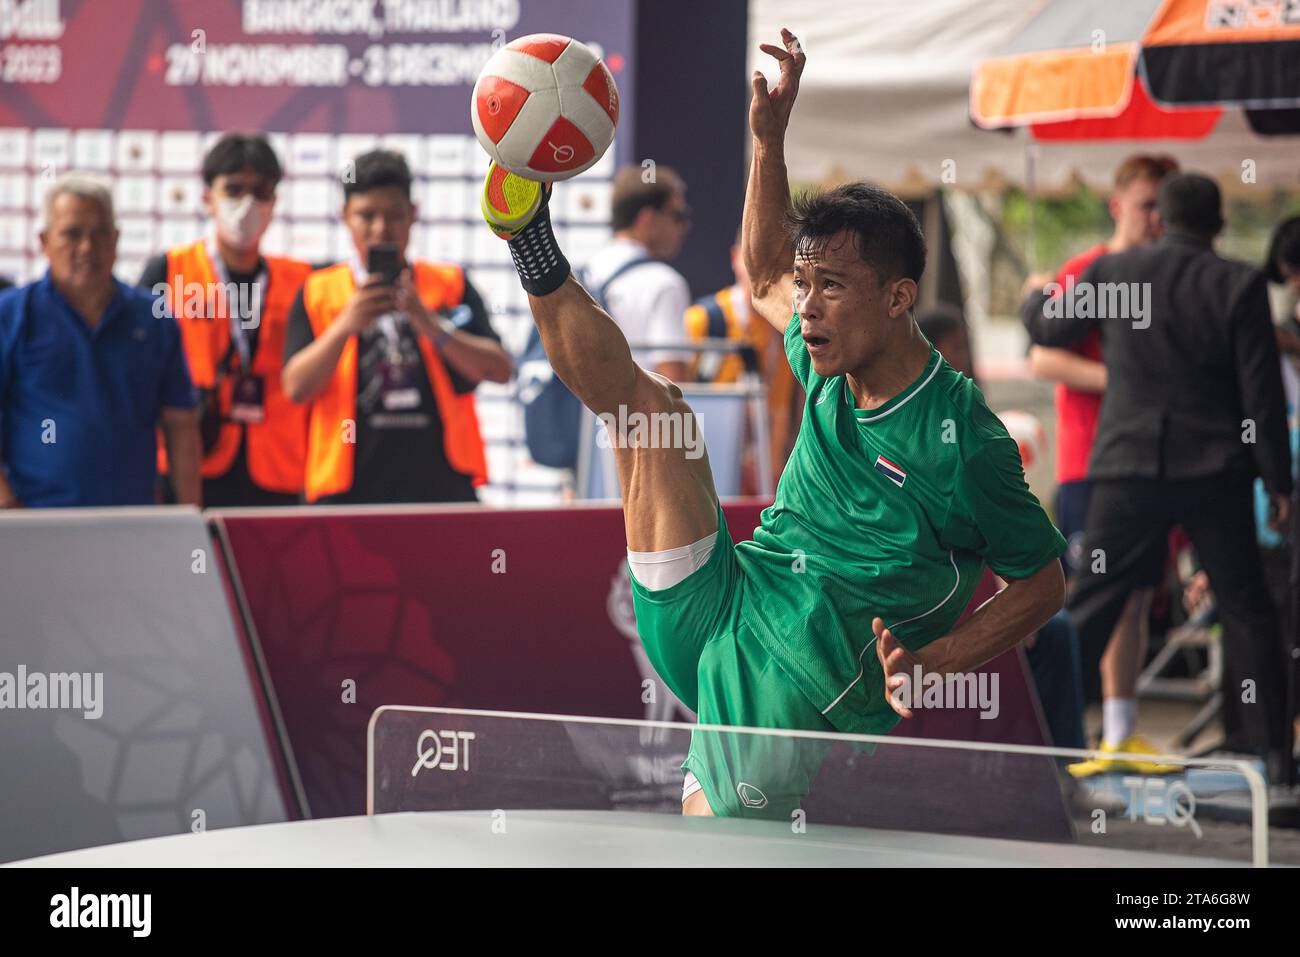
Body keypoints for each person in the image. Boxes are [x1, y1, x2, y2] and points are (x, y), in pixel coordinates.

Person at [479, 28, 1066, 818]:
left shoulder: (967, 439)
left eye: (829, 286)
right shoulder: (829, 352)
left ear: (897, 297)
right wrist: (770, 140)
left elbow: (1042, 582)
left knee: (716, 843)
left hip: (798, 674)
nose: (807, 305)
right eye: (806, 284)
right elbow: (761, 270)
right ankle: (532, 244)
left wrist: (935, 662)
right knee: (653, 413)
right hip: (720, 597)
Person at [1023, 173, 1293, 778]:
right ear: (1219, 225)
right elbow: (1263, 394)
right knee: (1249, 612)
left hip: (1128, 469)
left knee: (1091, 605)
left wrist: (1036, 294)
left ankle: (1034, 747)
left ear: (1160, 220)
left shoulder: (1116, 274)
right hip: (1216, 472)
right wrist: (1278, 482)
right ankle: (1277, 764)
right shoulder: (1238, 283)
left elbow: (1046, 329)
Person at [1023, 155, 1182, 776]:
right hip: (1093, 461)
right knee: (1091, 598)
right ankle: (1058, 738)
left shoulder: (1163, 275)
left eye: (1164, 206)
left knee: (1138, 598)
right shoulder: (1089, 270)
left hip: (1152, 464)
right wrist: (1124, 382)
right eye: (1147, 204)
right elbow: (1042, 359)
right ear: (1118, 206)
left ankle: (1120, 731)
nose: (1156, 218)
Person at [281, 150, 512, 505]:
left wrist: (429, 323)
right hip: (345, 492)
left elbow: (499, 369)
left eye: (394, 215)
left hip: (442, 486)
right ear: (345, 216)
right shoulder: (318, 291)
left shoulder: (449, 284)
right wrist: (345, 325)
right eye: (366, 216)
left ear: (413, 215)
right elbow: (295, 387)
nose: (380, 229)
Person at [0, 174, 199, 509]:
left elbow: (180, 423)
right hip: (33, 523)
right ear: (44, 241)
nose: (87, 248)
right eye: (72, 233)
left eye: (100, 233)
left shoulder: (155, 317)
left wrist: (190, 516)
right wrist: (6, 508)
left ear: (117, 239)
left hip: (132, 524)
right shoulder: (10, 316)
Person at [139, 134, 312, 507]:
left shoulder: (302, 280)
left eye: (260, 192)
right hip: (190, 457)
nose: (247, 204)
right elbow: (138, 368)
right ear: (207, 198)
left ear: (274, 202)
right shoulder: (169, 270)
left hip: (277, 467)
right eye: (233, 190)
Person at [684, 237, 802, 481]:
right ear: (735, 257)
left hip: (772, 482)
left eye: (780, 266)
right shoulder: (703, 321)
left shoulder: (794, 328)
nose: (765, 273)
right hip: (710, 478)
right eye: (755, 259)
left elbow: (798, 412)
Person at [583, 164, 693, 382]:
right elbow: (673, 385)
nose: (685, 226)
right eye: (678, 215)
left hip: (582, 416)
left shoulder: (583, 273)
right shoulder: (665, 284)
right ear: (647, 219)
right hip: (633, 416)